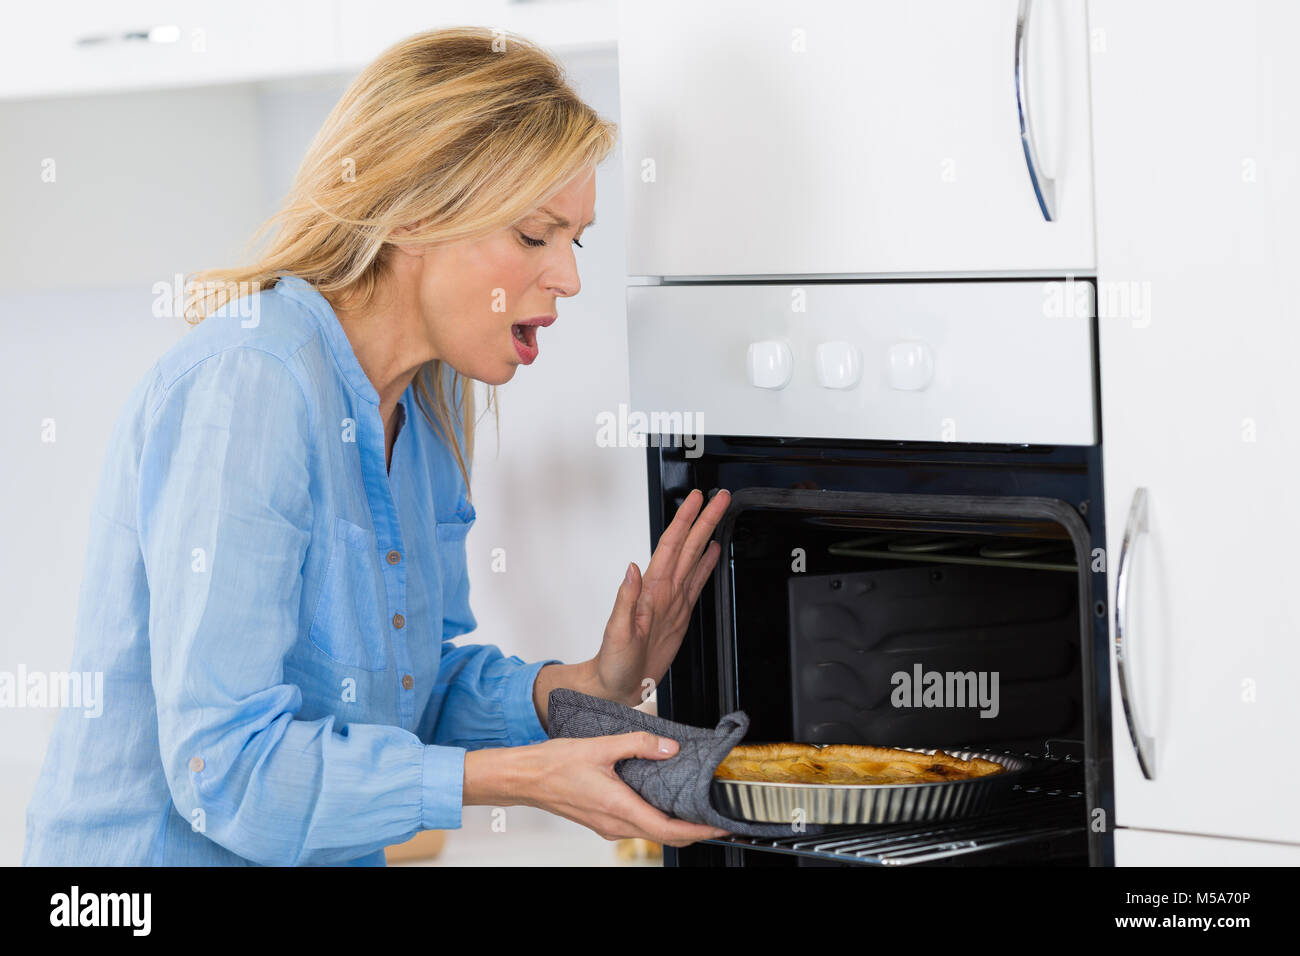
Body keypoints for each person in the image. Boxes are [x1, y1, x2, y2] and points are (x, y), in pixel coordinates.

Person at [23, 26, 731, 866]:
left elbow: (408, 696)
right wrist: (517, 778)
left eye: (573, 242)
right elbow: (229, 773)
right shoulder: (252, 385)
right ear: (416, 215)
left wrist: (581, 688)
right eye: (535, 236)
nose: (569, 278)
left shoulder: (424, 409)